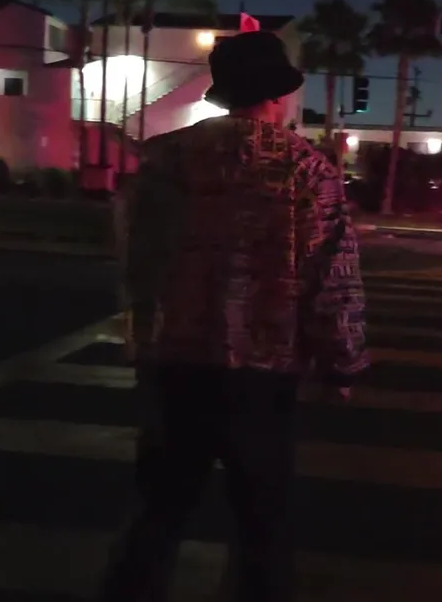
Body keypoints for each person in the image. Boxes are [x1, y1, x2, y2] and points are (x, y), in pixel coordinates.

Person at [99, 30, 369, 602]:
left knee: (158, 514)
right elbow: (332, 276)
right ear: (277, 95)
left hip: (176, 361)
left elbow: (136, 258)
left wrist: (140, 339)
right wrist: (341, 363)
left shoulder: (166, 158)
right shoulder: (308, 170)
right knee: (262, 526)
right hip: (264, 371)